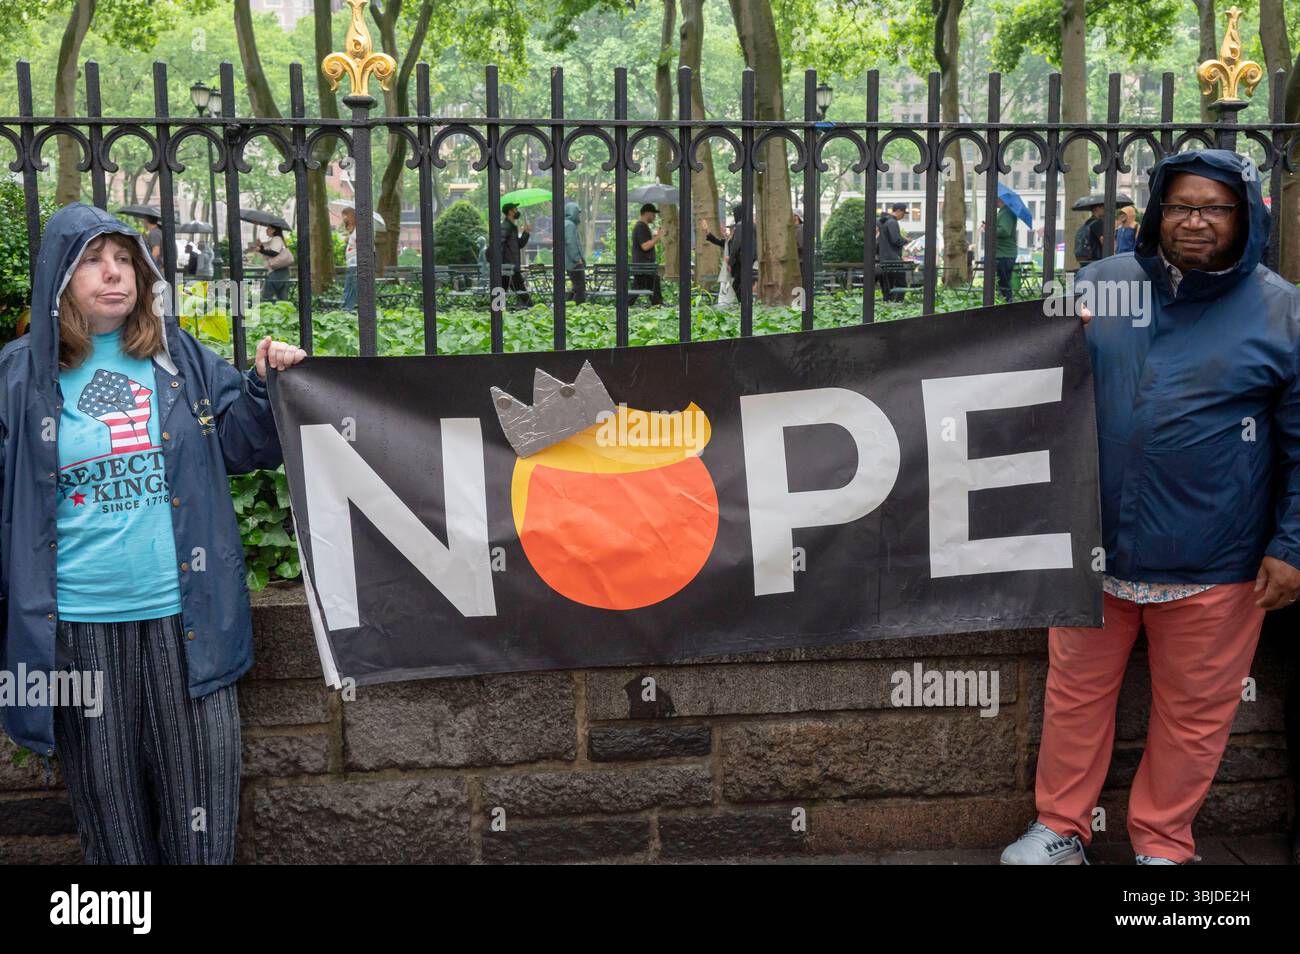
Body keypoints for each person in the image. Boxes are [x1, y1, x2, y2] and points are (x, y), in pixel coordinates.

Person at [1001, 149, 1300, 866]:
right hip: (1095, 550)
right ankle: (1060, 830)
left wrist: (1291, 545)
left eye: (1214, 209)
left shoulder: (1281, 311)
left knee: (1194, 718)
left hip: (1217, 562)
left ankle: (1164, 845)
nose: (1195, 221)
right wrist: (1048, 330)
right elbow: (1020, 374)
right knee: (1073, 699)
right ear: (1158, 210)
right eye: (1181, 205)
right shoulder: (1101, 285)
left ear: (1247, 216)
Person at [0, 202, 307, 864]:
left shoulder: (181, 359)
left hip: (185, 624)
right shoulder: (18, 375)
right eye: (92, 260)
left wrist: (261, 385)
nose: (113, 274)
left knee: (203, 821)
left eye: (125, 260)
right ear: (58, 275)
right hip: (78, 634)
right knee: (112, 831)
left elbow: (243, 443)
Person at [631, 202, 663, 306]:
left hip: (646, 266)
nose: (654, 216)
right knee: (642, 287)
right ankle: (658, 306)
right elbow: (645, 246)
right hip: (643, 266)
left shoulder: (643, 227)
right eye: (653, 214)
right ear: (647, 213)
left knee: (651, 286)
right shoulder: (641, 227)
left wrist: (655, 237)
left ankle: (658, 305)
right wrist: (658, 237)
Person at [500, 202, 531, 307]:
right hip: (509, 267)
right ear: (510, 212)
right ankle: (533, 311)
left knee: (501, 293)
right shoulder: (506, 227)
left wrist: (526, 233)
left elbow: (519, 244)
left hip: (510, 267)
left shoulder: (512, 227)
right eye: (515, 209)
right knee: (522, 293)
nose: (517, 212)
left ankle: (497, 313)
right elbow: (499, 245)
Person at [252, 225, 291, 303]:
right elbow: (272, 251)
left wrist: (261, 250)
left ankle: (268, 313)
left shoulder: (276, 239)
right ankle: (283, 314)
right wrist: (261, 247)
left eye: (268, 228)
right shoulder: (276, 239)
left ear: (274, 230)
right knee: (282, 298)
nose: (266, 230)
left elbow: (274, 253)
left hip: (276, 272)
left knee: (266, 296)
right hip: (283, 271)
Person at [877, 202, 908, 302]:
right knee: (902, 284)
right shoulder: (892, 222)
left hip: (883, 258)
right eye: (903, 213)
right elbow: (896, 240)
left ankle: (888, 303)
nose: (903, 216)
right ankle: (898, 304)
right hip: (894, 259)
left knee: (887, 284)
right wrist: (906, 240)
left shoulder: (882, 221)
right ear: (898, 211)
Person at [994, 196, 1018, 302]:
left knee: (1004, 283)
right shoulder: (1003, 212)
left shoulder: (1006, 213)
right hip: (1003, 253)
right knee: (1003, 282)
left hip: (1004, 254)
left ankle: (1007, 305)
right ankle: (1005, 303)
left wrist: (990, 228)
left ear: (1000, 200)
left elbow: (1004, 231)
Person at [563, 200, 586, 304]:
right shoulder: (570, 225)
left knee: (576, 287)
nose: (579, 216)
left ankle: (568, 305)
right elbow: (571, 243)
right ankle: (579, 308)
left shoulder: (566, 224)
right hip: (574, 263)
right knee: (580, 288)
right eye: (578, 213)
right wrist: (577, 259)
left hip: (570, 262)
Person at [340, 207, 358, 312]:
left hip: (355, 263)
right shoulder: (352, 229)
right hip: (351, 262)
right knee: (349, 285)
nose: (343, 217)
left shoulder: (358, 229)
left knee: (351, 286)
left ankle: (347, 308)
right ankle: (347, 307)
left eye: (345, 215)